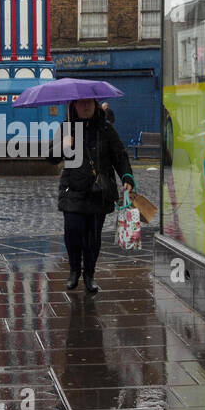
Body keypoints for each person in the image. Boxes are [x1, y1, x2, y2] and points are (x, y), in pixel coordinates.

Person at [58, 98, 134, 294]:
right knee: (72, 231)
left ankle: (89, 274)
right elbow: (50, 157)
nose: (85, 107)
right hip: (73, 189)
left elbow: (120, 155)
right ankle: (75, 270)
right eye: (81, 103)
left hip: (98, 191)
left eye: (89, 103)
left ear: (95, 105)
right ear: (74, 106)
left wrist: (127, 177)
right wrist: (62, 145)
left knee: (93, 236)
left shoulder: (106, 129)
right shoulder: (67, 127)